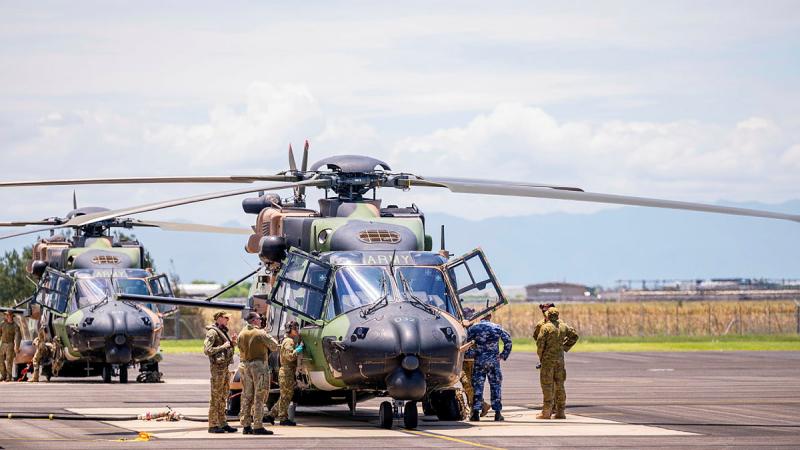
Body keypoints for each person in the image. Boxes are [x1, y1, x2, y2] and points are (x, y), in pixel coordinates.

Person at [237, 311, 280, 435]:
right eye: (259, 318)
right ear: (254, 320)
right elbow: (275, 346)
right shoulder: (260, 333)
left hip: (245, 366)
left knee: (246, 396)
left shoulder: (241, 333)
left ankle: (246, 425)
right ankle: (258, 425)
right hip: (259, 367)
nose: (261, 320)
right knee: (260, 396)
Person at [466, 313, 512, 422]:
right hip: (493, 362)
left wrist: (471, 354)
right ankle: (497, 413)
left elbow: (465, 342)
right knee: (495, 386)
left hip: (479, 361)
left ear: (479, 316)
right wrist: (503, 355)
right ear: (489, 316)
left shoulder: (474, 328)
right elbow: (508, 341)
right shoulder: (496, 327)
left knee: (477, 387)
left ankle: (476, 413)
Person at [536, 307, 579, 420]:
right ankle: (561, 411)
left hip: (548, 361)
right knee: (560, 385)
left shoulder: (545, 327)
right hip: (560, 360)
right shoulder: (564, 326)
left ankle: (546, 412)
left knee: (547, 385)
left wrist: (541, 357)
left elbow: (540, 344)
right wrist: (565, 347)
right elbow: (575, 336)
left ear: (548, 316)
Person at [204, 311, 238, 433]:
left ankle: (222, 422)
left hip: (224, 368)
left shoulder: (223, 332)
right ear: (218, 318)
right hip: (217, 370)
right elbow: (207, 350)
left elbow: (226, 347)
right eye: (225, 318)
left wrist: (232, 343)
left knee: (223, 396)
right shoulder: (212, 332)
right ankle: (213, 425)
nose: (227, 320)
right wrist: (223, 347)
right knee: (216, 397)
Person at [269, 320, 303, 426]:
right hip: (287, 371)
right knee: (286, 396)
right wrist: (298, 349)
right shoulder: (289, 341)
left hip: (287, 371)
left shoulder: (288, 340)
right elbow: (290, 356)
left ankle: (271, 415)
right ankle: (283, 418)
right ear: (289, 330)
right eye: (295, 328)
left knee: (285, 395)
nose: (297, 330)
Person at [458, 307, 490, 419]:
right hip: (464, 359)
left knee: (467, 382)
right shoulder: (462, 328)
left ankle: (480, 404)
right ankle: (475, 407)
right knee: (468, 384)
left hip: (472, 360)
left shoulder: (474, 329)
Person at [533, 303, 555, 370]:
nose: (545, 313)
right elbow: (536, 336)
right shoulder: (540, 324)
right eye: (543, 311)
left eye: (547, 311)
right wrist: (541, 342)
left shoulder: (559, 323)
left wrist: (563, 346)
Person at [0, 311, 21, 382]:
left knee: (9, 361)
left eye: (8, 315)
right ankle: (3, 375)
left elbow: (18, 337)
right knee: (0, 360)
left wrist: (17, 347)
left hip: (10, 344)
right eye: (6, 315)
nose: (6, 316)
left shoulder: (15, 326)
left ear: (11, 316)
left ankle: (9, 376)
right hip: (3, 344)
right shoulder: (2, 324)